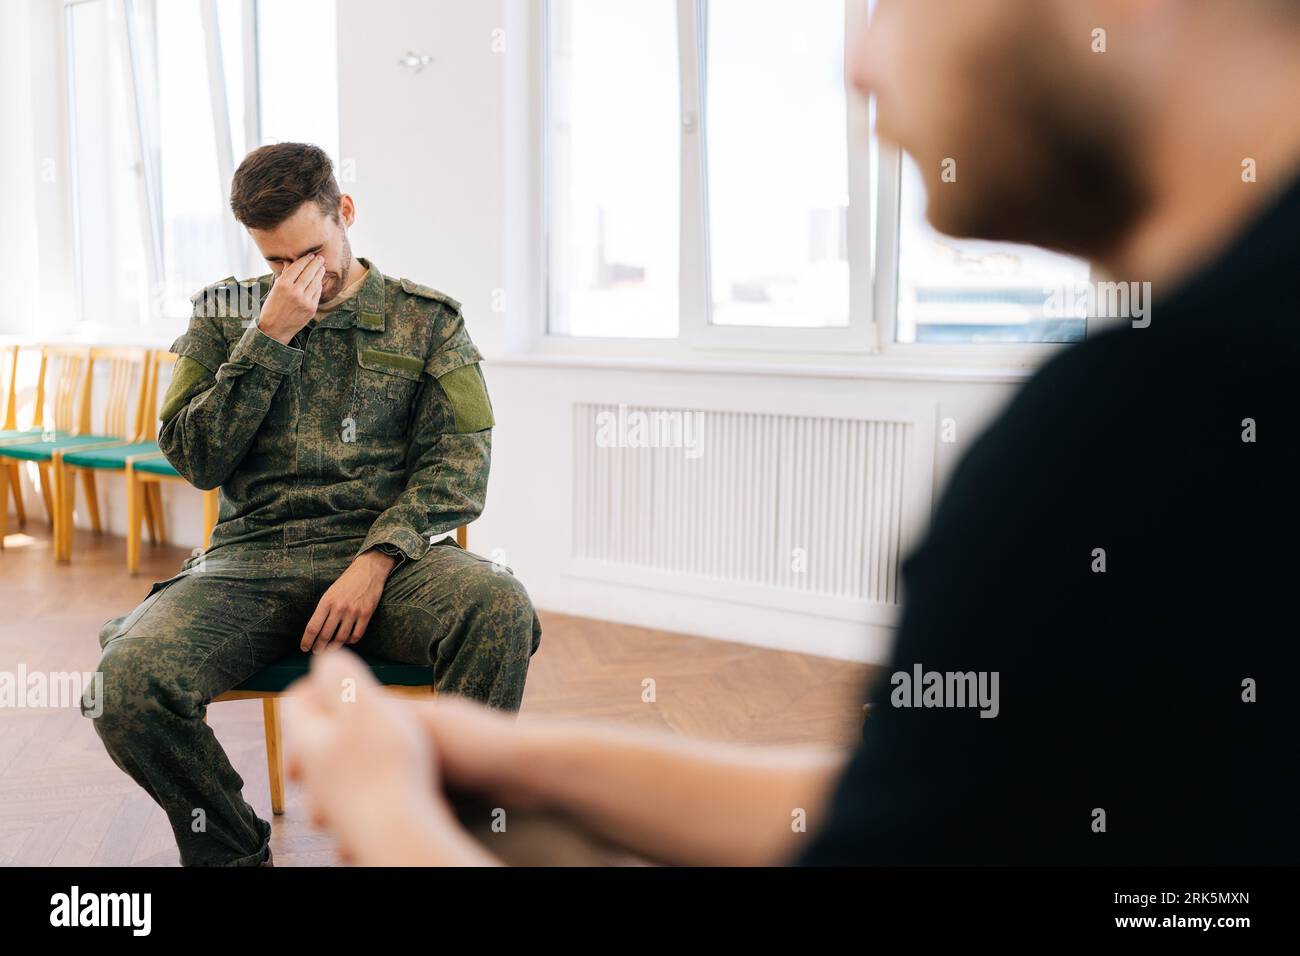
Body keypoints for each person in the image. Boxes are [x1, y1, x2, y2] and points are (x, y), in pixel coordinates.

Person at [285, 0, 1300, 866]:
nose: (859, 65)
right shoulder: (1198, 407)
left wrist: (384, 811)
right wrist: (524, 757)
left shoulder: (1140, 435)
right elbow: (938, 807)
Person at [83, 143, 543, 867]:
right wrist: (267, 339)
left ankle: (449, 841)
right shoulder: (223, 316)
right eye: (275, 263)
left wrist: (378, 556)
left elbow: (458, 465)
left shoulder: (427, 323)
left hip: (390, 564)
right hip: (250, 561)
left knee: (498, 606)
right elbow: (194, 458)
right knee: (125, 687)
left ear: (346, 213)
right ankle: (234, 854)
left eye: (314, 253)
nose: (301, 278)